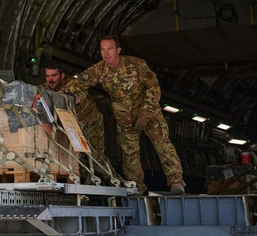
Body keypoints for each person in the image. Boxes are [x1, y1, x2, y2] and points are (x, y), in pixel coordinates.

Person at [70, 35, 185, 194]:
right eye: (103, 49)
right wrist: (77, 95)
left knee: (163, 144)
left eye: (110, 49)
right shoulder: (99, 70)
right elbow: (77, 82)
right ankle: (137, 188)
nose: (106, 53)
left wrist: (146, 112)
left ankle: (176, 182)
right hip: (125, 119)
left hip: (149, 113)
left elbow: (153, 86)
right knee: (130, 154)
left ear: (118, 50)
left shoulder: (136, 65)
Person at [41, 64, 105, 154]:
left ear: (62, 76)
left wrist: (72, 99)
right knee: (77, 157)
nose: (50, 79)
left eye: (54, 75)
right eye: (47, 76)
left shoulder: (74, 84)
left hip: (91, 124)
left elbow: (79, 97)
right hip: (73, 126)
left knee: (96, 156)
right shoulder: (47, 87)